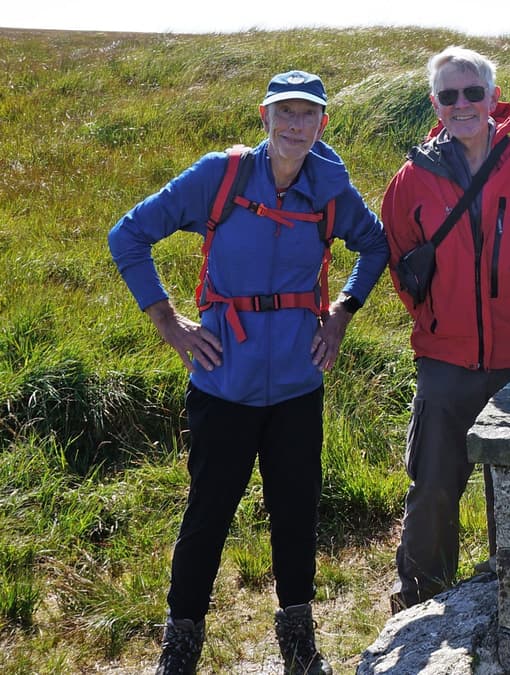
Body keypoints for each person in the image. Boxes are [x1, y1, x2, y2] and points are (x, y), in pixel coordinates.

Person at [108, 70, 389, 675]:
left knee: (295, 510)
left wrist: (341, 315)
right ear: (264, 117)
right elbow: (128, 235)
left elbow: (376, 245)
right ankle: (181, 641)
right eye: (284, 112)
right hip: (222, 382)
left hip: (296, 385)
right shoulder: (222, 175)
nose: (295, 125)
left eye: (307, 114)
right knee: (208, 511)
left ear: (323, 123)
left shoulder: (331, 189)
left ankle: (298, 642)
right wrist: (167, 321)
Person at [381, 46, 510, 611]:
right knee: (434, 488)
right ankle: (423, 600)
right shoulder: (410, 179)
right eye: (449, 95)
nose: (462, 104)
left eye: (473, 93)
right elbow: (401, 262)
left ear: (494, 98)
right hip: (444, 361)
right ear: (434, 103)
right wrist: (436, 322)